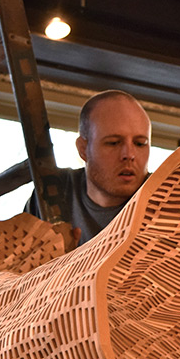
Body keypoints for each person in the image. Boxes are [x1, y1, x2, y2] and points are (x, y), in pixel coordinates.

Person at [25, 90, 151, 246]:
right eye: (113, 142)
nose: (129, 154)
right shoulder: (53, 190)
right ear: (83, 149)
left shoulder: (166, 199)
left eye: (140, 143)